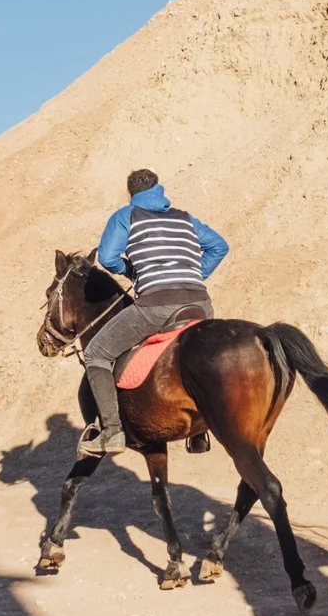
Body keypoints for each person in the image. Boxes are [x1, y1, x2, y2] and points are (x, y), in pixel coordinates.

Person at [78, 169, 230, 457]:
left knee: (96, 354)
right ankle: (200, 431)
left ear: (130, 194)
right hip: (200, 303)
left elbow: (108, 257)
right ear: (159, 190)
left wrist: (132, 271)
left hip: (156, 305)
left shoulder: (126, 215)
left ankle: (111, 431)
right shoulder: (184, 217)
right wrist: (196, 273)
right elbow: (219, 246)